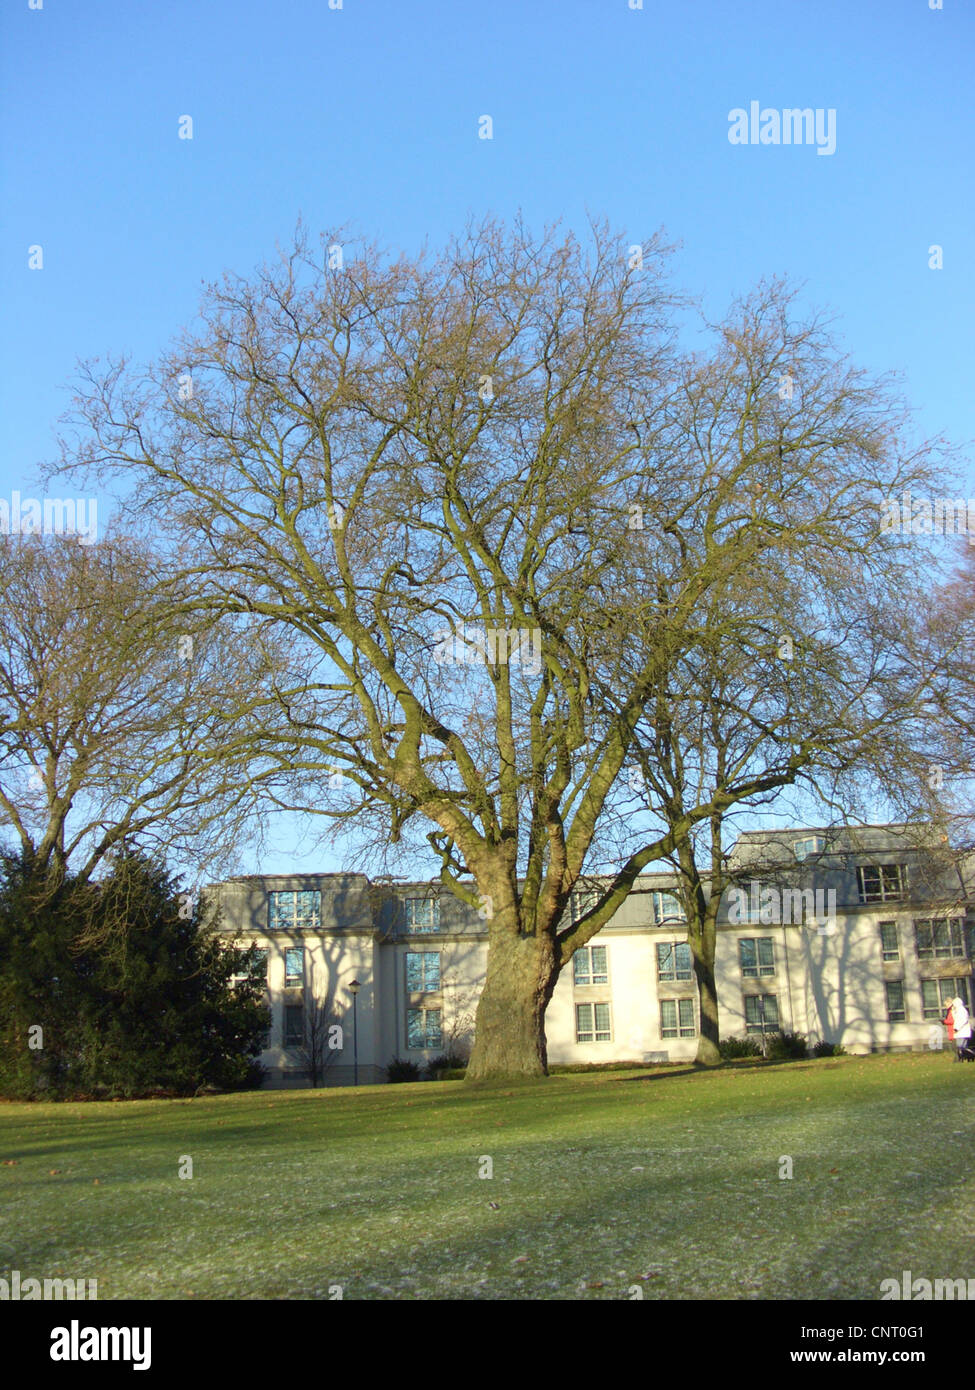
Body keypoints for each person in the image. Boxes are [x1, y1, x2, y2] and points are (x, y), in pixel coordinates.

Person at [946, 996, 972, 1061]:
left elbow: (962, 1021)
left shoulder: (961, 1010)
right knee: (962, 1046)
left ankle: (963, 1057)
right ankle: (963, 1058)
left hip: (962, 1032)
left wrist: (956, 1029)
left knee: (961, 1046)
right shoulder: (958, 1010)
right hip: (961, 1032)